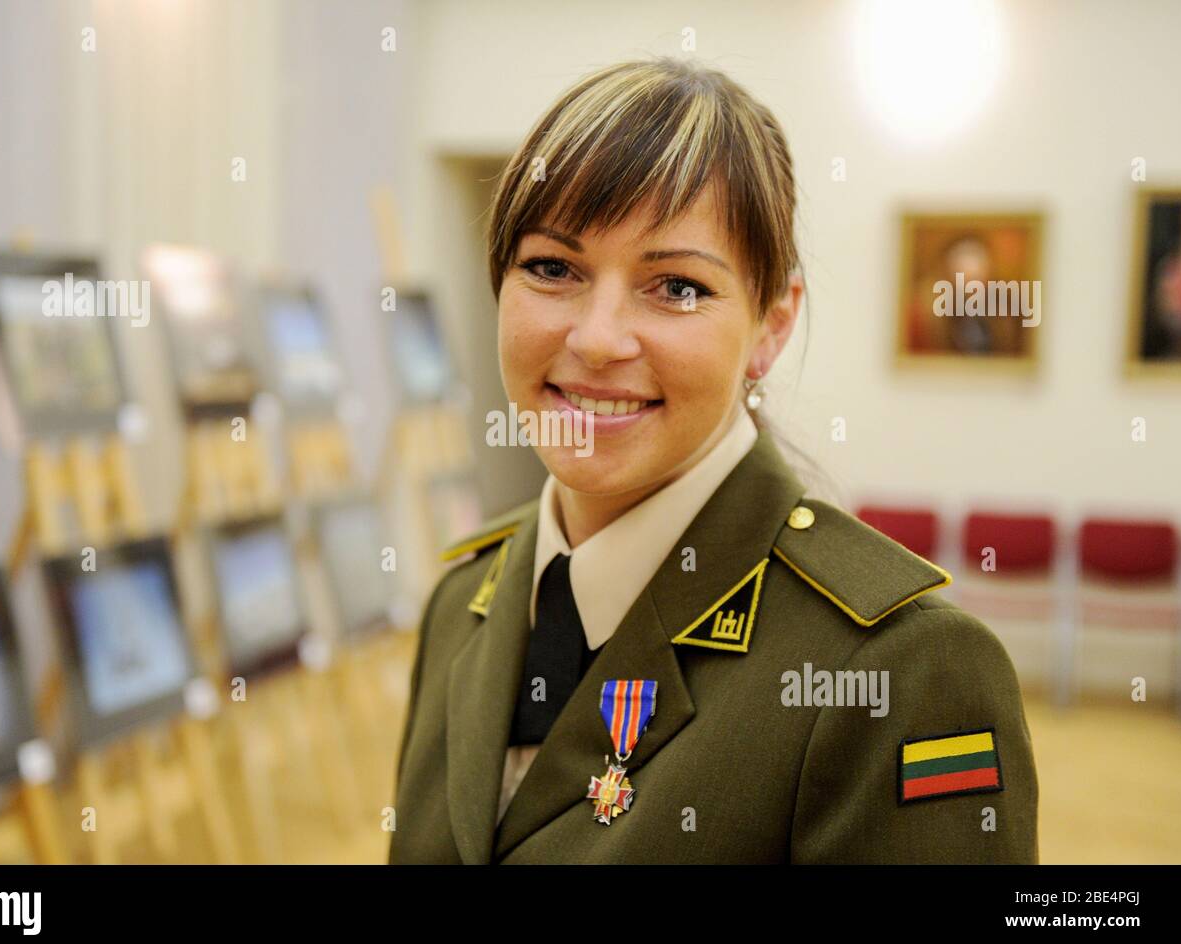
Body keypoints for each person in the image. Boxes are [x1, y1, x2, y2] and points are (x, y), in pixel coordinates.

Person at [389, 57, 1038, 864]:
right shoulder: (462, 603)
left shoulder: (902, 671)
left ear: (771, 323)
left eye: (677, 287)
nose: (596, 338)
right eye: (553, 268)